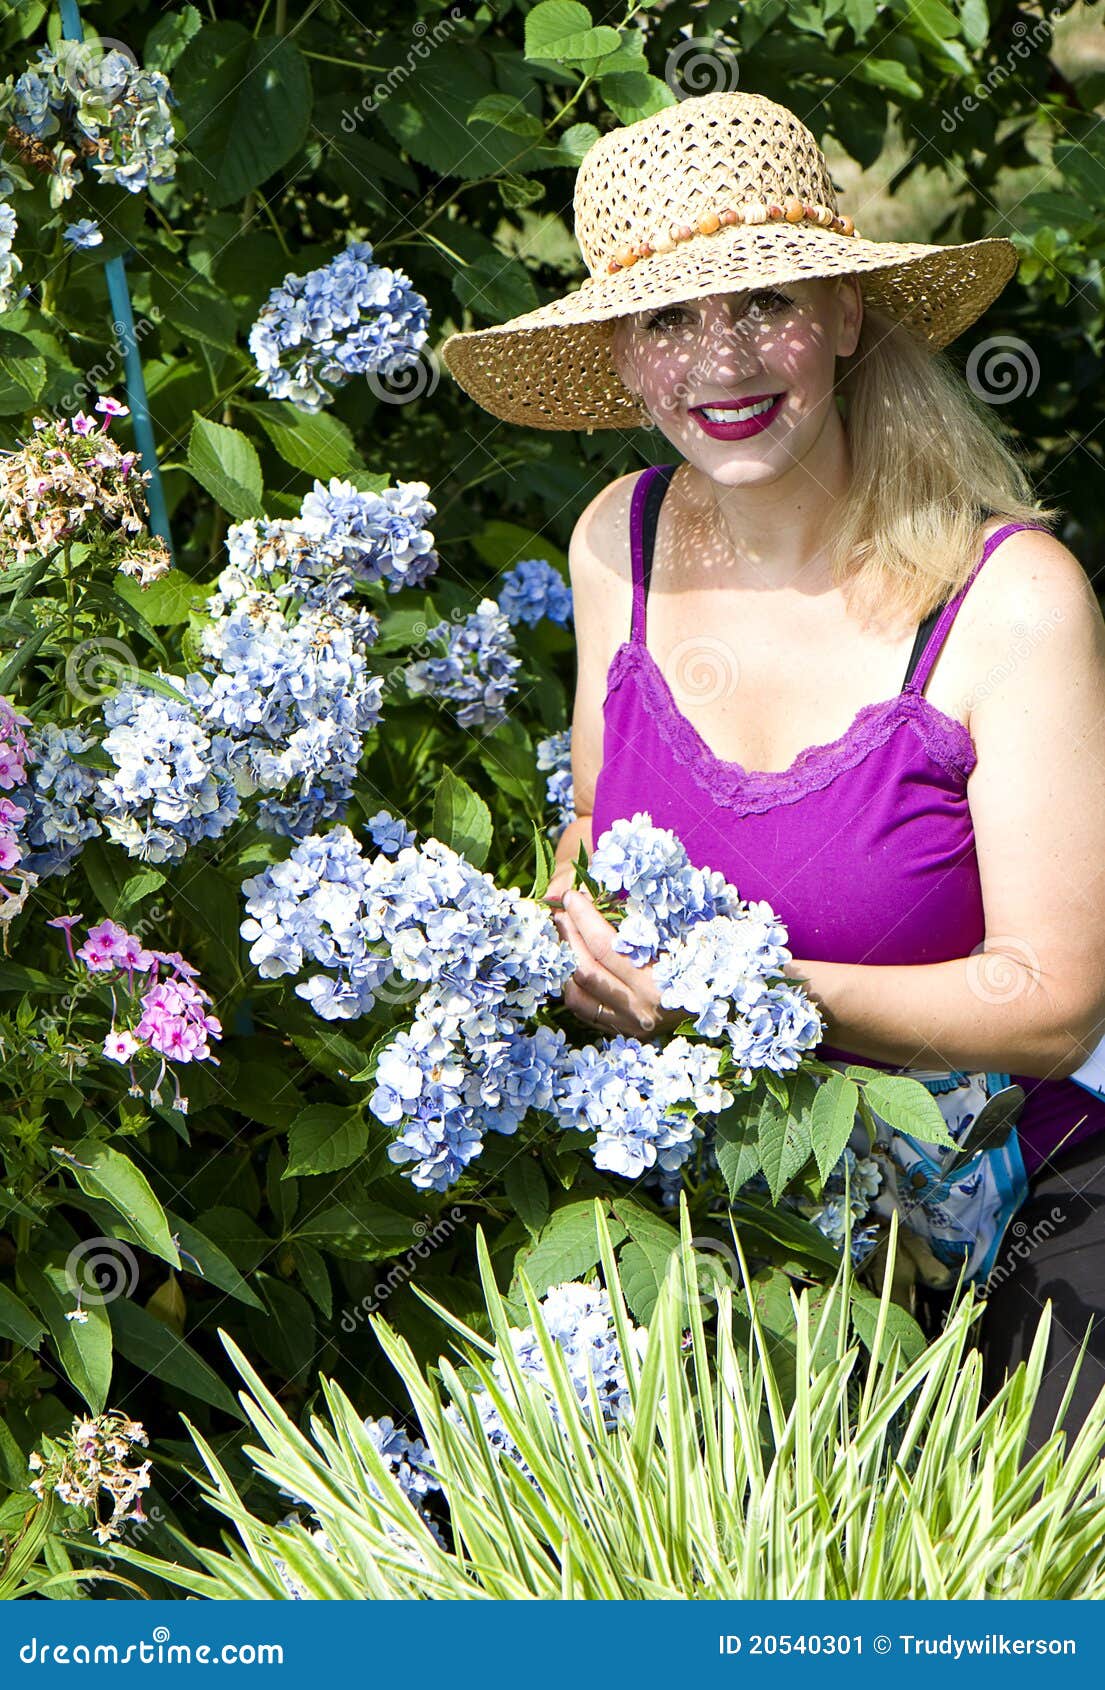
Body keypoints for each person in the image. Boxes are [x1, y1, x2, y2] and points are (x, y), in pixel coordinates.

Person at [440, 91, 1105, 1456]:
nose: (718, 360)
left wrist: (758, 996)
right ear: (618, 357)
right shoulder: (613, 544)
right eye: (666, 320)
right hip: (734, 1204)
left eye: (763, 304)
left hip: (1008, 1204)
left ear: (849, 315)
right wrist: (580, 933)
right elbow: (590, 820)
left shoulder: (1007, 598)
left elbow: (1052, 1006)